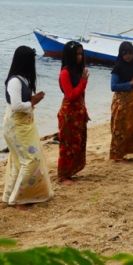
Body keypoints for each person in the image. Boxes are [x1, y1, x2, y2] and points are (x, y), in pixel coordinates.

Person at [2, 45, 54, 208]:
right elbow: (17, 106)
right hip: (16, 126)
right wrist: (33, 101)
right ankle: (18, 199)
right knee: (31, 160)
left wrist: (33, 98)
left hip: (23, 124)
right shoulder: (15, 81)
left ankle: (12, 194)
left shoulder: (22, 79)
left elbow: (21, 101)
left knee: (21, 161)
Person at [56, 41, 90, 185]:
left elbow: (81, 95)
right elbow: (70, 95)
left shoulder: (76, 71)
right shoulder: (65, 73)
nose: (79, 57)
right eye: (76, 54)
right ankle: (62, 176)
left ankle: (70, 172)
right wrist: (83, 82)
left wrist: (85, 111)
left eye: (81, 54)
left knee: (77, 144)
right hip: (69, 114)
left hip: (78, 113)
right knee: (67, 145)